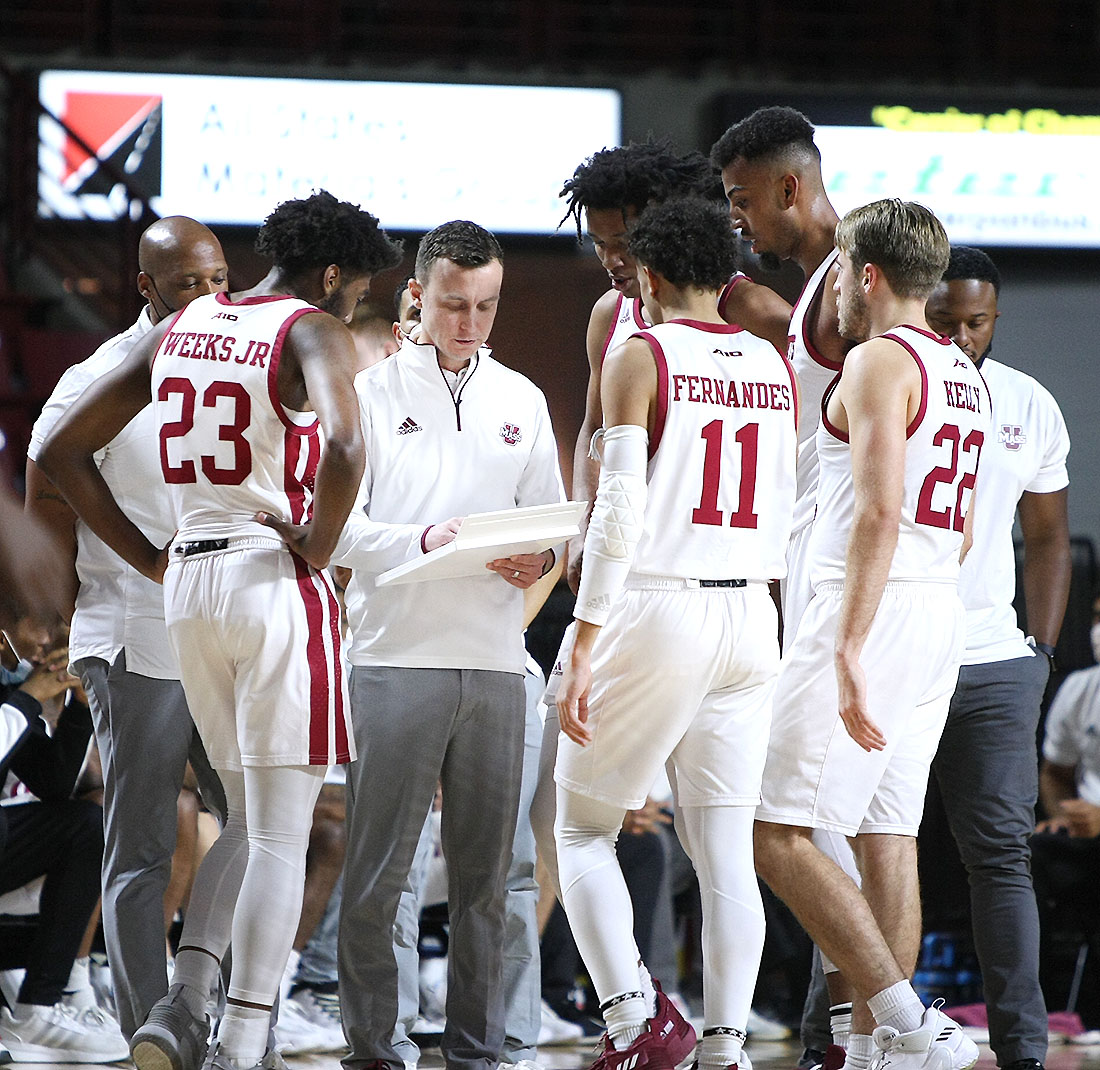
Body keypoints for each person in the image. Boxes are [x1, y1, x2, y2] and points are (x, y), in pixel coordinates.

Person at [37, 189, 402, 1070]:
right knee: (276, 826)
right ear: (329, 276)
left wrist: (150, 557)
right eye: (353, 292)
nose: (350, 308)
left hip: (188, 582)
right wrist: (318, 546)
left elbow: (56, 452)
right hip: (268, 577)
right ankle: (240, 1041)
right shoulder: (308, 328)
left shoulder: (184, 328)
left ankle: (182, 1005)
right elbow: (346, 446)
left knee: (244, 817)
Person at [264, 219, 565, 1070]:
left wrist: (539, 555)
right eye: (455, 304)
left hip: (498, 664)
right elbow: (340, 532)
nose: (471, 321)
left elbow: (552, 525)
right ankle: (375, 1049)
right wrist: (426, 543)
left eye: (486, 305)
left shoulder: (524, 399)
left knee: (490, 888)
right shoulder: (365, 391)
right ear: (418, 298)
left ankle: (480, 1052)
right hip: (392, 659)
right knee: (377, 879)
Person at [554, 195, 798, 1070]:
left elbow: (617, 511)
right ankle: (726, 1049)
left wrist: (584, 635)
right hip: (751, 613)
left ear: (649, 277)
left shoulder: (641, 351)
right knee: (725, 844)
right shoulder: (772, 363)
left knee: (580, 828)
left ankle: (636, 1022)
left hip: (659, 601)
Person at [752, 199, 990, 1070]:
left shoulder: (878, 360)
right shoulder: (964, 371)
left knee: (771, 828)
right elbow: (962, 527)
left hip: (872, 609)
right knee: (885, 837)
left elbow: (880, 511)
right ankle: (871, 1052)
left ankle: (910, 1025)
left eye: (842, 275)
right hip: (937, 609)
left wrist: (848, 644)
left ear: (866, 274)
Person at [24, 215, 231, 1044]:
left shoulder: (238, 361)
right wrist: (138, 561)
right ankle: (155, 1032)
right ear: (148, 288)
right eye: (189, 284)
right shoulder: (103, 373)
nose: (210, 298)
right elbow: (46, 479)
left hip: (222, 632)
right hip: (135, 632)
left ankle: (210, 999)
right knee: (143, 845)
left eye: (219, 280)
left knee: (259, 818)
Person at [711, 104, 856, 1069]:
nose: (737, 219)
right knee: (851, 822)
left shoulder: (852, 283)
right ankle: (857, 1022)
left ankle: (871, 1017)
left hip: (852, 569)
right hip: (823, 561)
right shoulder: (812, 289)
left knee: (794, 820)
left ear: (790, 189)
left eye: (741, 201)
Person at [923, 245, 1071, 1070]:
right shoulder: (888, 378)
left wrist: (1040, 654)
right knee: (861, 848)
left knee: (1001, 857)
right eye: (944, 320)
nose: (960, 336)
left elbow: (1049, 538)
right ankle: (840, 1037)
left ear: (995, 319)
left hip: (993, 665)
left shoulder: (1029, 403)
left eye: (975, 322)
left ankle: (1022, 1049)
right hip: (897, 658)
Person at [558, 140, 792, 597]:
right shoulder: (610, 313)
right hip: (636, 563)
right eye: (600, 244)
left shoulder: (751, 309)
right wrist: (582, 532)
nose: (611, 259)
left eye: (623, 244)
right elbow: (592, 429)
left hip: (723, 565)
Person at [0, 621, 129, 1063]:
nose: (46, 642)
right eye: (36, 625)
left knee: (86, 823)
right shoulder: (15, 695)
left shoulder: (7, 685)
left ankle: (38, 1007)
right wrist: (27, 699)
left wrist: (78, 703)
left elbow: (54, 782)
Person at [1031, 593, 1100, 1030]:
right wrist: (1059, 813)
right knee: (1023, 855)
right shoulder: (1080, 688)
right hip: (1085, 838)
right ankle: (1033, 1008)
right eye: (1097, 617)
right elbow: (1055, 771)